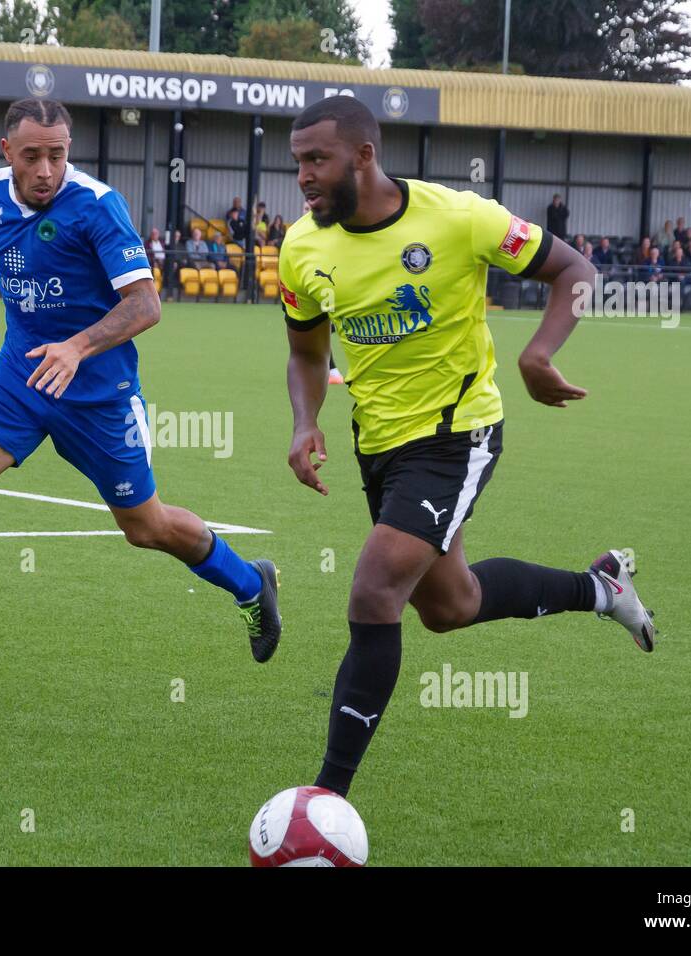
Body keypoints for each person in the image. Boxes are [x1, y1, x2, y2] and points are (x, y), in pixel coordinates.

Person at [0, 97, 281, 699]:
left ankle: (250, 584)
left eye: (58, 154)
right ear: (7, 154)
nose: (47, 169)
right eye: (32, 156)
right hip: (19, 377)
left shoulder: (98, 206)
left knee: (145, 527)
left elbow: (146, 303)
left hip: (99, 393)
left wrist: (76, 347)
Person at [277, 95, 655, 800]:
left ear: (364, 156)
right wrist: (305, 422)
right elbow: (305, 352)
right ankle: (599, 588)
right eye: (298, 162)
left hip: (457, 435)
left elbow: (575, 271)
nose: (303, 176)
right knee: (449, 606)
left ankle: (325, 801)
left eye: (316, 160)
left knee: (374, 588)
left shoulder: (458, 217)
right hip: (378, 445)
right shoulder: (302, 247)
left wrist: (538, 354)